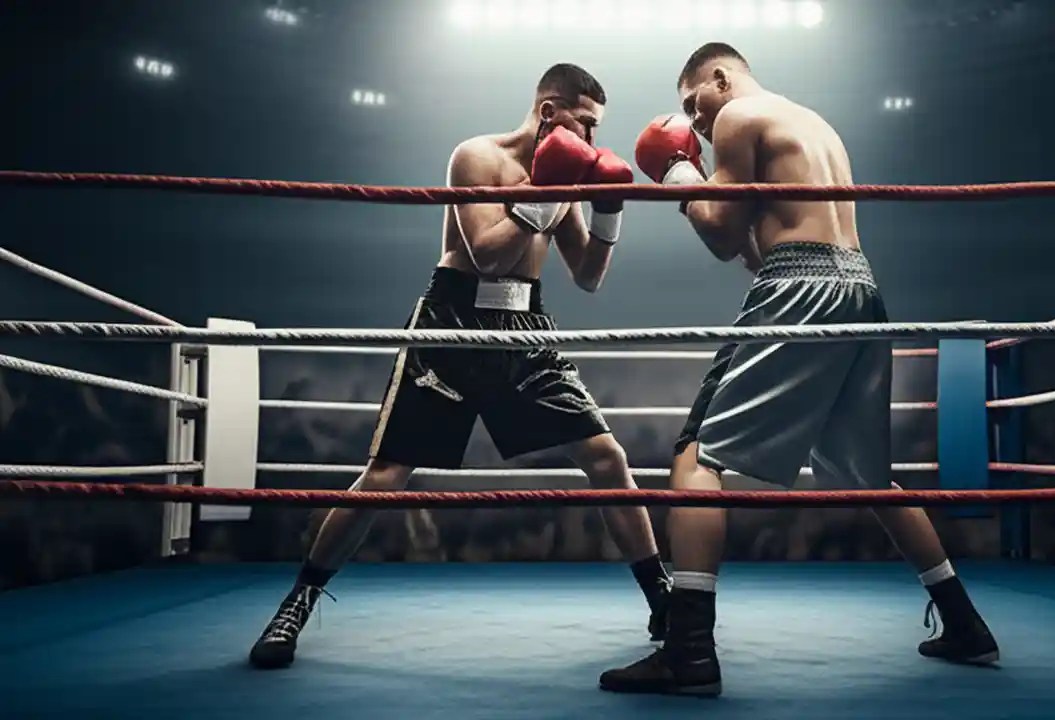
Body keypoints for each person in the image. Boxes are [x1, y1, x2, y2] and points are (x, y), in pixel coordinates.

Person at [599, 43, 999, 697]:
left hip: (799, 287)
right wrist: (707, 185)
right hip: (859, 291)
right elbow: (754, 251)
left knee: (696, 453)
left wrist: (676, 174)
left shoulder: (735, 117)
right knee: (869, 479)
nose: (695, 124)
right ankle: (965, 624)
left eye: (691, 105)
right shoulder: (811, 126)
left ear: (719, 79)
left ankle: (689, 652)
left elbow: (723, 235)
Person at [248, 63, 671, 670]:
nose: (594, 138)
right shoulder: (477, 157)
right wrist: (546, 192)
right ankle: (298, 601)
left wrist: (607, 211)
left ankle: (661, 599)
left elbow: (588, 277)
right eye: (585, 122)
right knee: (388, 473)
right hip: (453, 322)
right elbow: (488, 252)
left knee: (607, 459)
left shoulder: (573, 175)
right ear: (550, 112)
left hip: (526, 331)